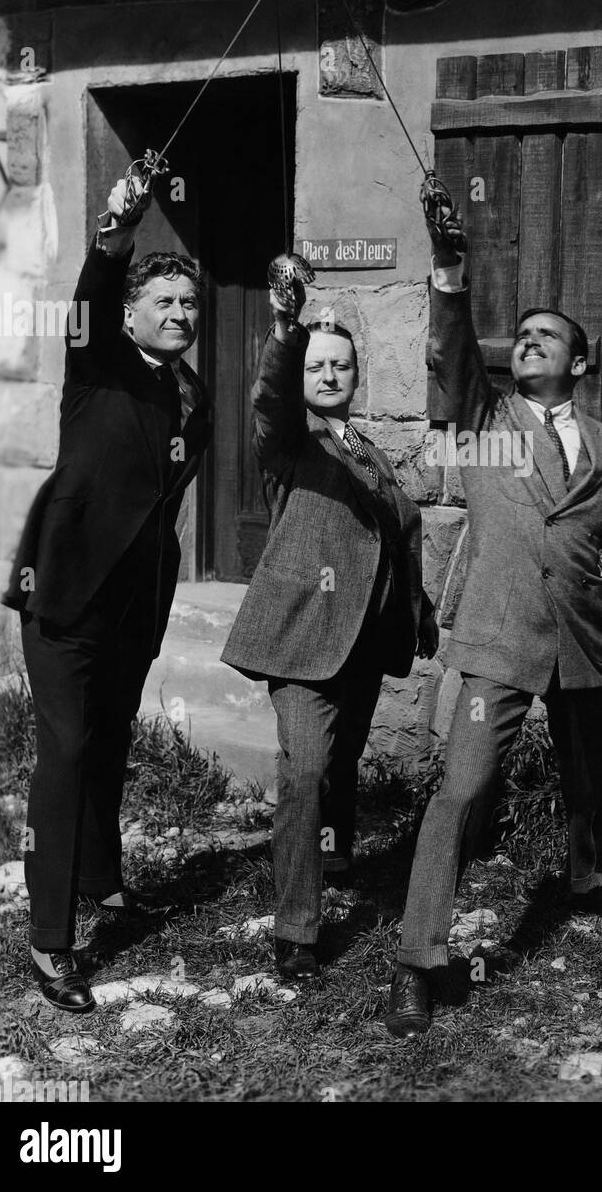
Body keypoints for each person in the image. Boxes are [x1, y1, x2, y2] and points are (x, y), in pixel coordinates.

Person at [385, 220, 602, 1036]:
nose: (530, 343)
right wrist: (449, 271)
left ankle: (587, 882)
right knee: (463, 792)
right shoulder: (484, 423)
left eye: (548, 337)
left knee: (590, 784)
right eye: (522, 337)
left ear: (579, 363)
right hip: (500, 641)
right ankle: (418, 960)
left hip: (582, 644)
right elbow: (450, 355)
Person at [3, 173, 212, 1013]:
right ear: (128, 314)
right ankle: (50, 942)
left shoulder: (192, 395)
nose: (178, 314)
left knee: (111, 744)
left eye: (190, 304)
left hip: (135, 605)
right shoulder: (97, 367)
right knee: (66, 754)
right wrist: (114, 233)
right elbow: (89, 296)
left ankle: (103, 882)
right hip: (66, 595)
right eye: (162, 300)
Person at [221, 265, 437, 982]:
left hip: (365, 644)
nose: (329, 373)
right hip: (302, 638)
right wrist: (287, 329)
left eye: (341, 364)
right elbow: (271, 395)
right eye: (317, 364)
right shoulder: (290, 444)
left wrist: (420, 612)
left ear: (356, 376)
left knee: (339, 766)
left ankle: (336, 857)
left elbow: (395, 534)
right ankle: (296, 933)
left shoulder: (364, 449)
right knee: (306, 771)